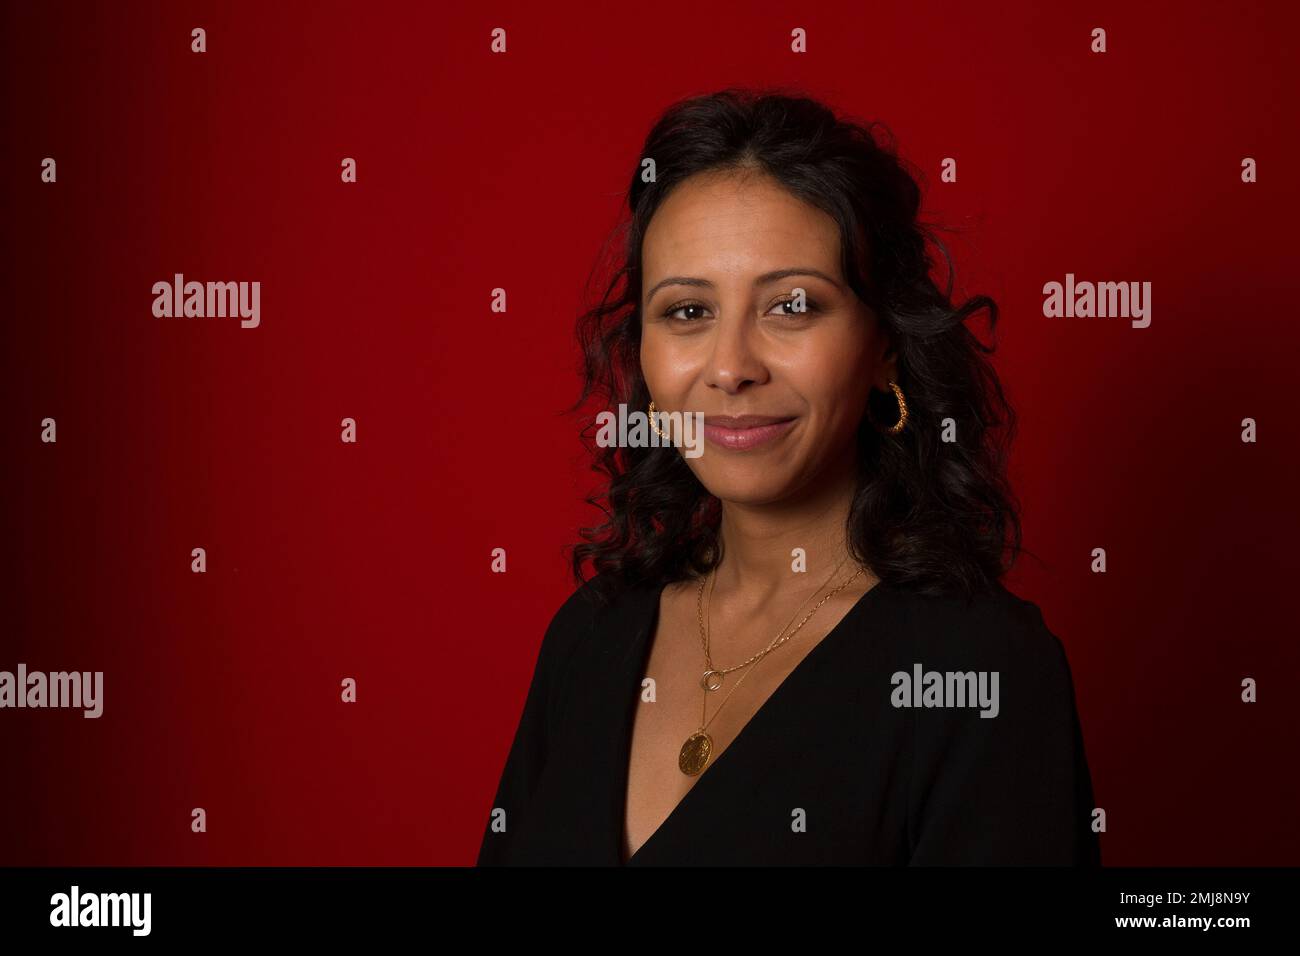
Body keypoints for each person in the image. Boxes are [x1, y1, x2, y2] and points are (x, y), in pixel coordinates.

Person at [477, 87, 1101, 866]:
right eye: (687, 313)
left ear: (885, 347)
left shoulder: (981, 674)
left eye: (793, 305)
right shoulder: (589, 636)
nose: (732, 367)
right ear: (641, 351)